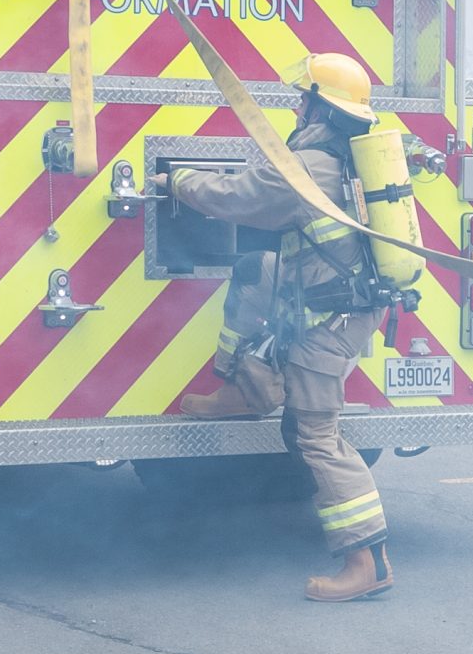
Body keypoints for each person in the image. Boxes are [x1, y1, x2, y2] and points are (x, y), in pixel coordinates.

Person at [159, 53, 395, 603]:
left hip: (328, 319)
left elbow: (234, 198)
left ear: (320, 108)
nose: (296, 105)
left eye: (303, 97)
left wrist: (179, 179)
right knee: (252, 272)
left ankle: (368, 561)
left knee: (316, 435)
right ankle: (241, 391)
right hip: (329, 299)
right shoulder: (348, 160)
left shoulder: (306, 166)